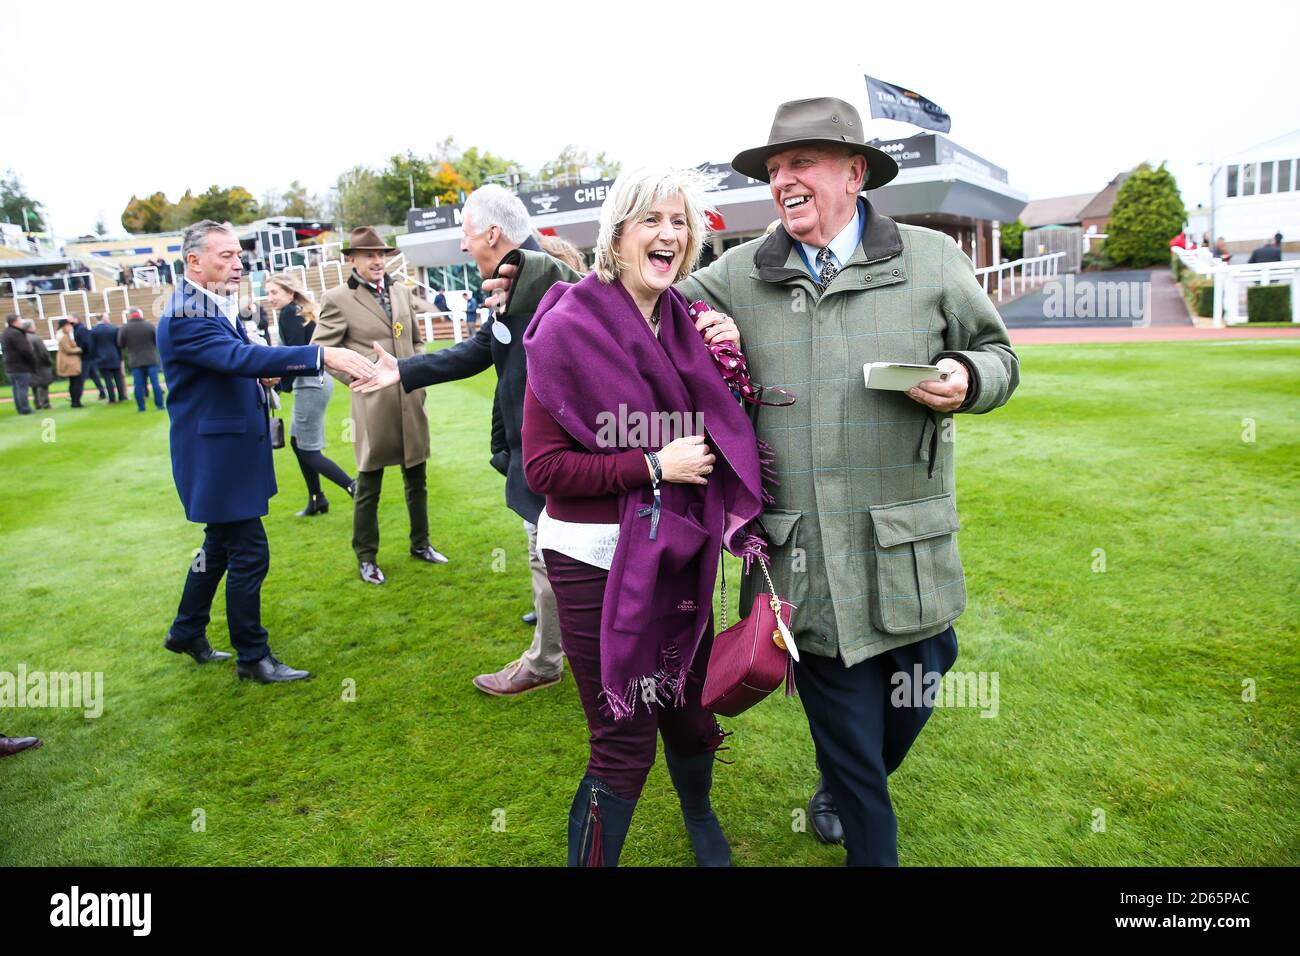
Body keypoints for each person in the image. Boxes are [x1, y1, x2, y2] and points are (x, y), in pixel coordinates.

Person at [490, 97, 1019, 866]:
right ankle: (849, 796)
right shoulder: (737, 276)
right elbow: (632, 313)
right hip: (798, 563)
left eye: (800, 164)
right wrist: (653, 443)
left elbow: (998, 355)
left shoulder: (933, 259)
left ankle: (827, 788)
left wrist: (968, 375)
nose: (784, 181)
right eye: (774, 170)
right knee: (835, 753)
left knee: (920, 687)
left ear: (854, 172)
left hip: (907, 552)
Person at [516, 167, 762, 867]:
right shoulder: (569, 327)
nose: (669, 234)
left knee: (687, 704)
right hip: (593, 557)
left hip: (679, 547)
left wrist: (729, 360)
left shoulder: (688, 325)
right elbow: (544, 471)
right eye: (652, 220)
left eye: (680, 222)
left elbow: (721, 433)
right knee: (624, 734)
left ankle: (701, 815)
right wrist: (652, 465)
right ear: (617, 235)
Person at [359, 185, 573, 696]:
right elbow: (482, 348)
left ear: (493, 234)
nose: (462, 247)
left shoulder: (547, 280)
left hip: (561, 459)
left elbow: (579, 292)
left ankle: (546, 662)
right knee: (558, 559)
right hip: (531, 455)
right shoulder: (508, 283)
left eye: (467, 234)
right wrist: (404, 369)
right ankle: (580, 651)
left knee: (552, 558)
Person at [157, 220, 377, 683]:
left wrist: (259, 376)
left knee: (218, 547)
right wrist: (322, 355)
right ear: (194, 261)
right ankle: (253, 657)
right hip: (216, 457)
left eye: (239, 255)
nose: (238, 264)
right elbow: (236, 358)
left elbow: (228, 363)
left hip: (226, 450)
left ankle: (186, 630)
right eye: (226, 256)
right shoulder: (186, 311)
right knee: (249, 552)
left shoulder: (210, 303)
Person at [313, 226, 448, 585]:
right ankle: (366, 557)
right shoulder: (338, 299)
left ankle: (421, 544)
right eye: (369, 255)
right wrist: (358, 380)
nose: (377, 261)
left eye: (381, 254)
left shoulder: (401, 292)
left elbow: (417, 341)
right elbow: (321, 351)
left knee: (417, 478)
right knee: (369, 485)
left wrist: (416, 376)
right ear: (352, 260)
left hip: (409, 398)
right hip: (372, 406)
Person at [266, 271, 355, 517]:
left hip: (309, 384)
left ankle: (354, 487)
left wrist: (279, 385)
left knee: (307, 449)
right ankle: (317, 499)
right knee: (297, 442)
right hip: (315, 382)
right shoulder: (297, 312)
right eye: (267, 293)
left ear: (289, 292)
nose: (270, 298)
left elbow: (294, 357)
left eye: (274, 292)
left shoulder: (289, 314)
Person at [117, 308, 166, 411]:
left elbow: (121, 344)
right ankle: (159, 405)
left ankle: (141, 407)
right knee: (155, 383)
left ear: (129, 316)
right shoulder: (149, 325)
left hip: (135, 360)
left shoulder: (125, 328)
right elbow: (157, 340)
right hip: (150, 359)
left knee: (138, 385)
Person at [2, 313, 36, 415]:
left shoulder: (5, 333)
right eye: (20, 320)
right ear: (15, 322)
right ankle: (25, 409)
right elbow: (25, 350)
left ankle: (20, 408)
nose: (21, 323)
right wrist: (31, 360)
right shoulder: (16, 333)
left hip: (10, 366)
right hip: (19, 366)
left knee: (16, 388)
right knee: (22, 388)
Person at [90, 313, 126, 403]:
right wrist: (119, 356)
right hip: (114, 356)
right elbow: (118, 345)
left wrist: (95, 358)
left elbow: (92, 347)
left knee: (107, 379)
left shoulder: (93, 331)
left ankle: (112, 399)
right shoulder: (114, 329)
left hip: (101, 358)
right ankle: (121, 396)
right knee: (118, 378)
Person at [73, 315, 107, 400]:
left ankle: (76, 397)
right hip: (88, 357)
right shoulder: (79, 328)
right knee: (94, 376)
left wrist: (80, 350)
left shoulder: (81, 329)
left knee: (82, 378)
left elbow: (86, 343)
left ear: (76, 319)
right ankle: (102, 393)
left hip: (86, 357)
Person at [23, 319, 53, 409]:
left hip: (28, 365)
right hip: (40, 365)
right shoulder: (35, 338)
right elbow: (43, 353)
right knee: (43, 385)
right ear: (30, 327)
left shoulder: (22, 337)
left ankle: (37, 403)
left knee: (34, 386)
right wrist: (49, 361)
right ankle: (45, 403)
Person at [56, 318, 85, 407]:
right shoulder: (64, 337)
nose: (70, 327)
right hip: (70, 363)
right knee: (76, 382)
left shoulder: (66, 335)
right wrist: (79, 349)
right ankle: (75, 402)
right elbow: (68, 350)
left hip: (70, 362)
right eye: (68, 325)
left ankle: (75, 401)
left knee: (74, 382)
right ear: (64, 326)